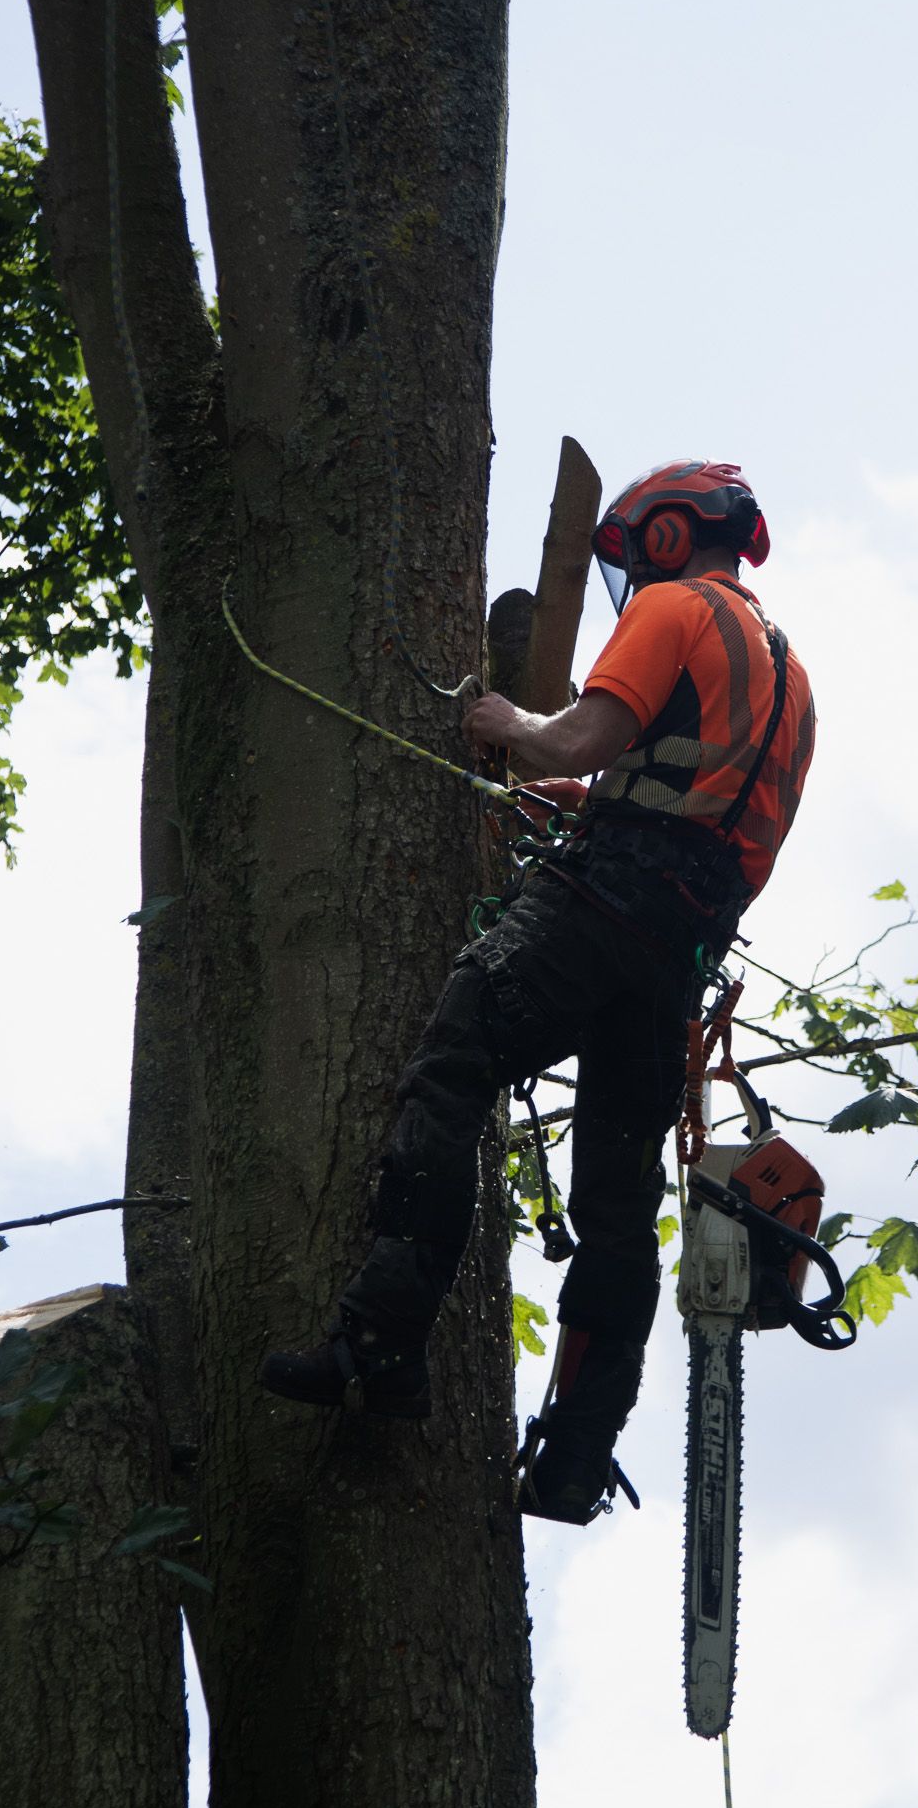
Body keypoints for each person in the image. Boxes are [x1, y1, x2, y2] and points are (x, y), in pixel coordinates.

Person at [261, 461, 816, 1523]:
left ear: (663, 535)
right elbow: (688, 793)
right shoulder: (789, 675)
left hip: (602, 904)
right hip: (676, 950)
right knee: (617, 1201)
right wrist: (585, 794)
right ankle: (574, 1453)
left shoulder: (672, 606)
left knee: (457, 1055)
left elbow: (581, 735)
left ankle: (380, 1340)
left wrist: (510, 726)